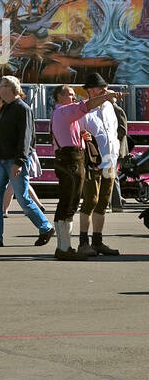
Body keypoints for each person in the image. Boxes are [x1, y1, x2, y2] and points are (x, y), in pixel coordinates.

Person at [0, 74, 53, 248]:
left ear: (11, 88)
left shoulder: (23, 108)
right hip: (2, 160)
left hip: (14, 160)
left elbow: (26, 137)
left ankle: (45, 227)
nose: (0, 88)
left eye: (3, 85)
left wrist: (20, 161)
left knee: (22, 198)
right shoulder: (6, 107)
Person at [50, 83, 111, 261]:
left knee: (67, 202)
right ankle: (65, 248)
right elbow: (86, 105)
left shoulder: (61, 113)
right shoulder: (64, 111)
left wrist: (84, 139)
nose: (73, 97)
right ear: (59, 98)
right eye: (69, 94)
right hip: (71, 161)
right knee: (70, 203)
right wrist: (106, 96)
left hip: (70, 159)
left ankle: (63, 246)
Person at [78, 74, 122, 257]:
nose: (104, 90)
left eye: (105, 87)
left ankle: (97, 241)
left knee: (103, 202)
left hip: (110, 161)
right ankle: (83, 242)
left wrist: (117, 153)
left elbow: (114, 133)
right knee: (90, 201)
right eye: (99, 87)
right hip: (93, 163)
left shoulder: (110, 107)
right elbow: (80, 135)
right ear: (90, 90)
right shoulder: (84, 109)